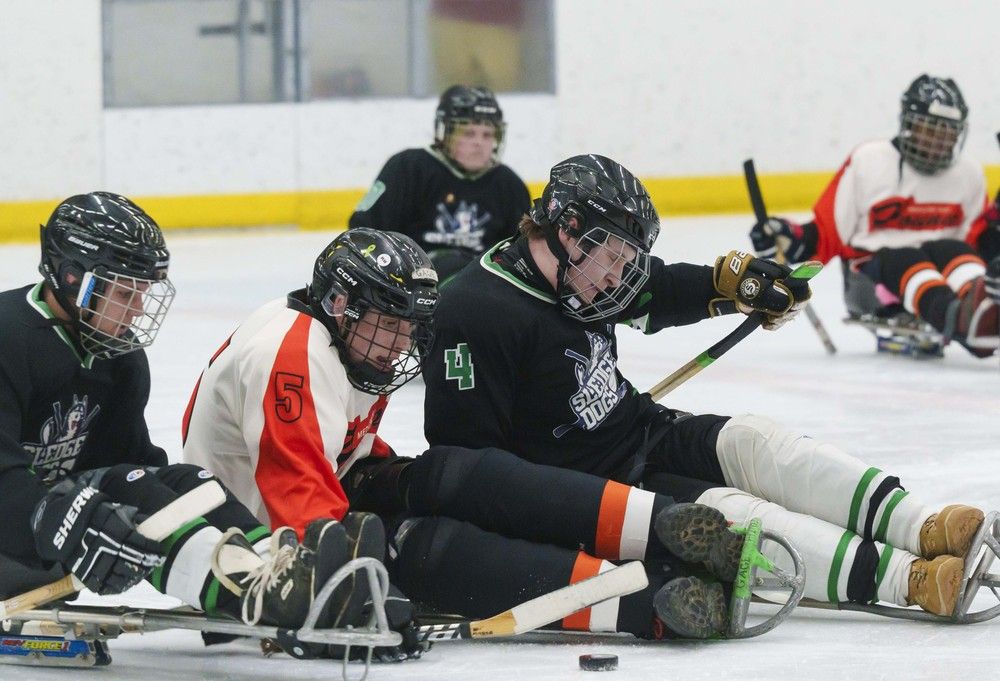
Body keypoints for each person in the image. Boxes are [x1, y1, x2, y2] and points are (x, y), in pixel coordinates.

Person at [422, 153, 993, 633]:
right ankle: (911, 581)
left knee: (758, 442)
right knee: (736, 516)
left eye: (627, 259)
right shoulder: (475, 313)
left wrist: (735, 287)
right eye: (614, 258)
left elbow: (657, 290)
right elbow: (471, 469)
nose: (621, 275)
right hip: (601, 492)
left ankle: (924, 524)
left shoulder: (583, 272)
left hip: (643, 429)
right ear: (567, 229)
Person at [181, 226, 777, 642]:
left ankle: (659, 532)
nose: (399, 344)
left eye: (408, 327)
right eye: (388, 324)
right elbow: (294, 484)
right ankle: (648, 602)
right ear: (340, 305)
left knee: (462, 470)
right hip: (263, 538)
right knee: (431, 547)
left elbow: (339, 451)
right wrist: (347, 575)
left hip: (327, 488)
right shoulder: (288, 353)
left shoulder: (347, 344)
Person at [0, 192, 371, 645]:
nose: (137, 308)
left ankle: (278, 569)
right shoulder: (7, 337)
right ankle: (255, 594)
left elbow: (129, 466)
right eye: (124, 292)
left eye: (142, 292)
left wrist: (137, 502)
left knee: (177, 481)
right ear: (72, 276)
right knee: (119, 498)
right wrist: (55, 517)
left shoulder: (121, 358)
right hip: (14, 525)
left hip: (40, 522)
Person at [748, 74, 999, 357]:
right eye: (930, 130)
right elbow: (826, 234)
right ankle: (961, 318)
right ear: (908, 125)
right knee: (904, 256)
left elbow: (979, 241)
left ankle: (987, 309)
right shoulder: (869, 161)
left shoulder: (968, 173)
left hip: (941, 267)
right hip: (870, 280)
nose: (937, 142)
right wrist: (786, 236)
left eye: (947, 133)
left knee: (954, 248)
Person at [349, 84, 531, 284]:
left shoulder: (509, 185)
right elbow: (363, 230)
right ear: (445, 134)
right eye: (468, 133)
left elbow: (523, 254)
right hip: (408, 284)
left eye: (487, 135)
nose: (479, 142)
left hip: (479, 287)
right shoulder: (407, 168)